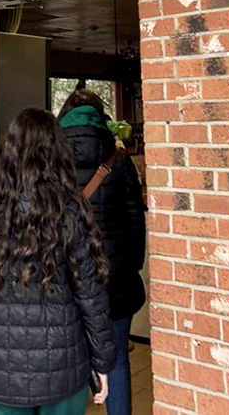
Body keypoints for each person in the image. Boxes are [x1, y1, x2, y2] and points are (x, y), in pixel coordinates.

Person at [0, 107, 115, 415]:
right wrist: (103, 363)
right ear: (57, 154)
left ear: (9, 151)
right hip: (64, 368)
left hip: (2, 373)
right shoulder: (71, 210)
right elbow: (91, 295)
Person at [58, 89, 146, 415]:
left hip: (67, 274)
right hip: (116, 276)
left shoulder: (52, 157)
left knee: (67, 359)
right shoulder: (119, 160)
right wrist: (132, 264)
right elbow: (135, 220)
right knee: (118, 359)